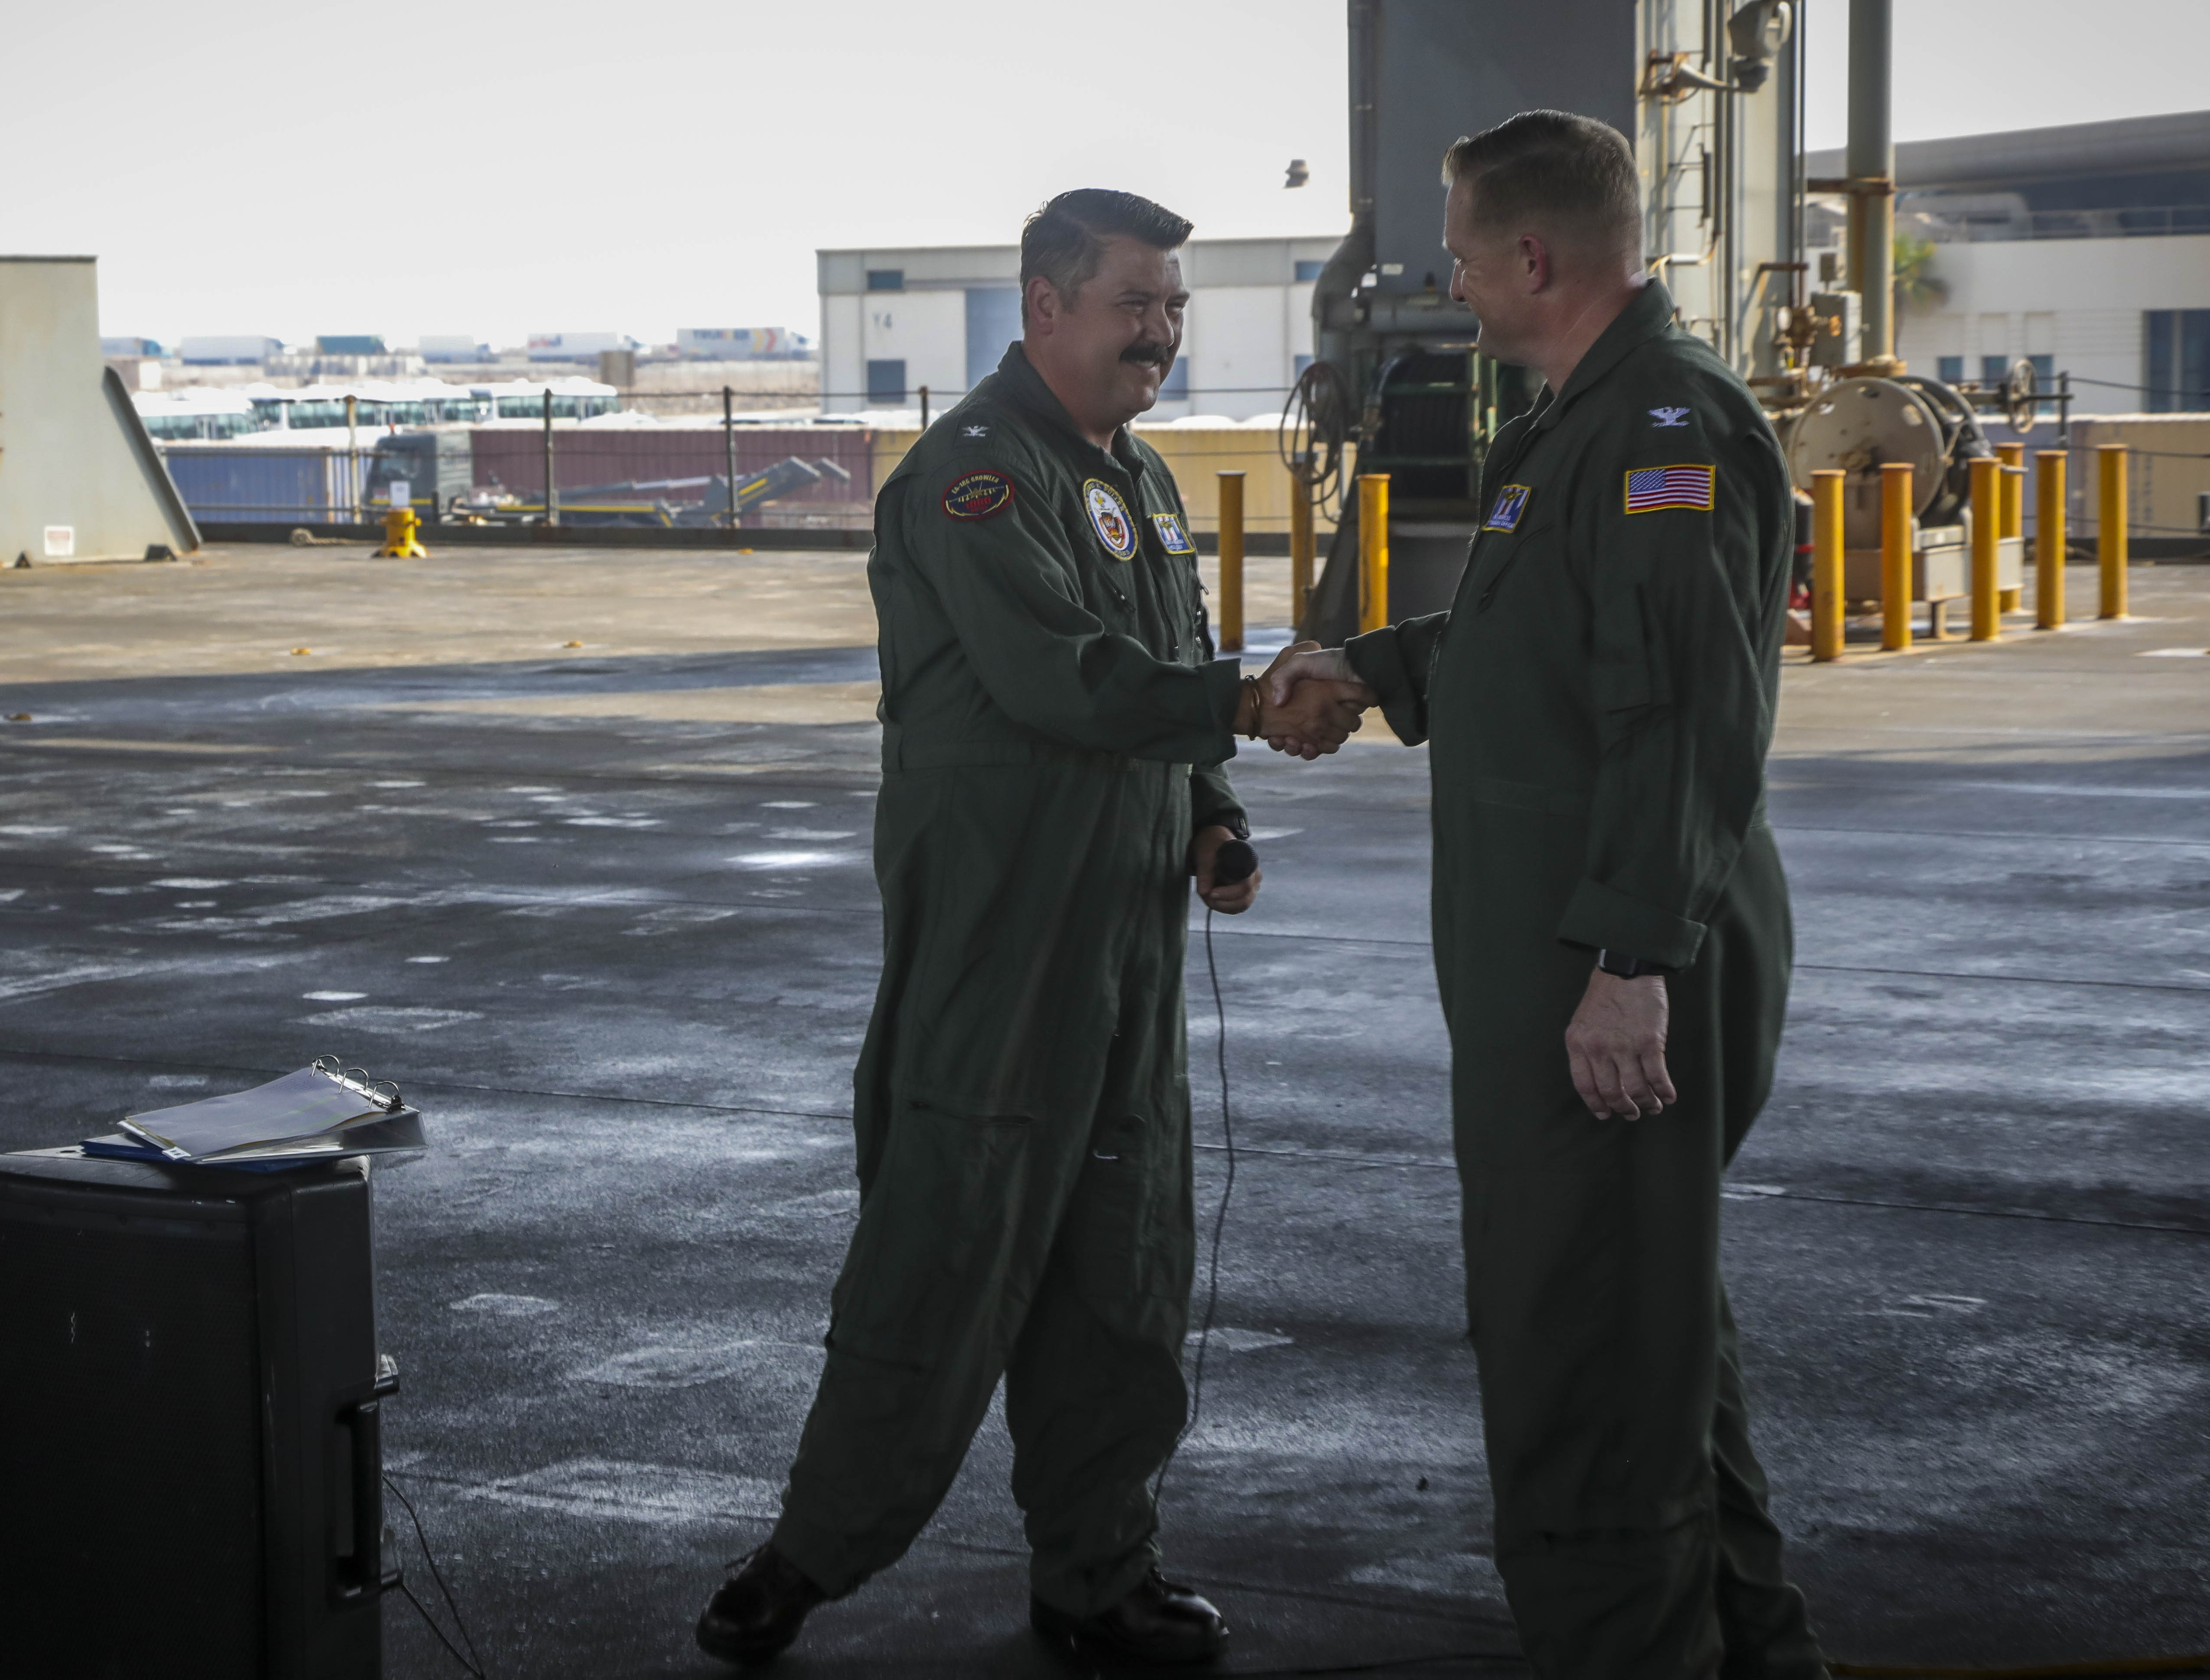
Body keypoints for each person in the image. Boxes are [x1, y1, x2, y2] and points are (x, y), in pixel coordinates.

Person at [694, 188, 1369, 1668]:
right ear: (1044, 306)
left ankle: (1097, 1573)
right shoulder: (975, 476)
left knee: (1123, 1277)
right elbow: (1059, 676)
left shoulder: (1145, 480)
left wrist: (1211, 816)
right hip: (1001, 950)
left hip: (1125, 947)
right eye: (1135, 304)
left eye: (1175, 306)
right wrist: (1247, 703)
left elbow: (1166, 663)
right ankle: (807, 1556)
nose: (1162, 333)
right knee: (939, 1264)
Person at [1269, 112, 1831, 1679]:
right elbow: (1535, 649)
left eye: (1461, 258)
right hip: (1571, 958)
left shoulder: (1663, 430)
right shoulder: (1578, 422)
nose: (1452, 286)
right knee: (1646, 1318)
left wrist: (1631, 960)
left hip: (1617, 962)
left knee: (1583, 1340)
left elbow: (1683, 710)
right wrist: (1366, 669)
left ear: (1531, 256)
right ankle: (1747, 1644)